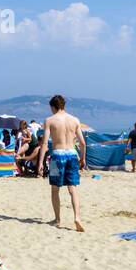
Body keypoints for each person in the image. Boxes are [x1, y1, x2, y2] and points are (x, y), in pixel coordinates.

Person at [37, 94, 87, 231]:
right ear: (64, 105)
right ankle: (77, 217)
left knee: (55, 189)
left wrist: (40, 162)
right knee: (73, 189)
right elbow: (82, 143)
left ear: (53, 107)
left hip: (57, 156)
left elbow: (45, 144)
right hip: (72, 155)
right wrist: (83, 159)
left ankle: (57, 219)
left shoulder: (49, 120)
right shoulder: (75, 120)